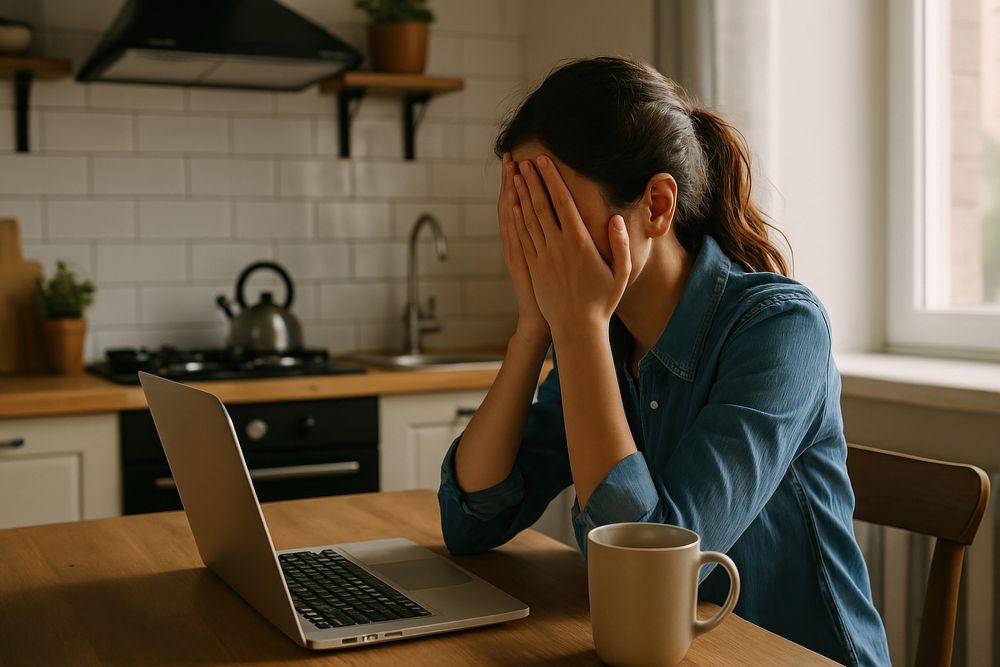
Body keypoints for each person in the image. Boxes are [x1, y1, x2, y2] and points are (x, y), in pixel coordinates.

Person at [436, 56, 890, 666]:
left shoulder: (781, 328)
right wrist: (533, 329)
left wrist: (578, 330)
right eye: (526, 214)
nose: (541, 243)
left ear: (655, 206)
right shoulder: (604, 335)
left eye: (557, 214)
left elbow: (650, 569)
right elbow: (472, 522)